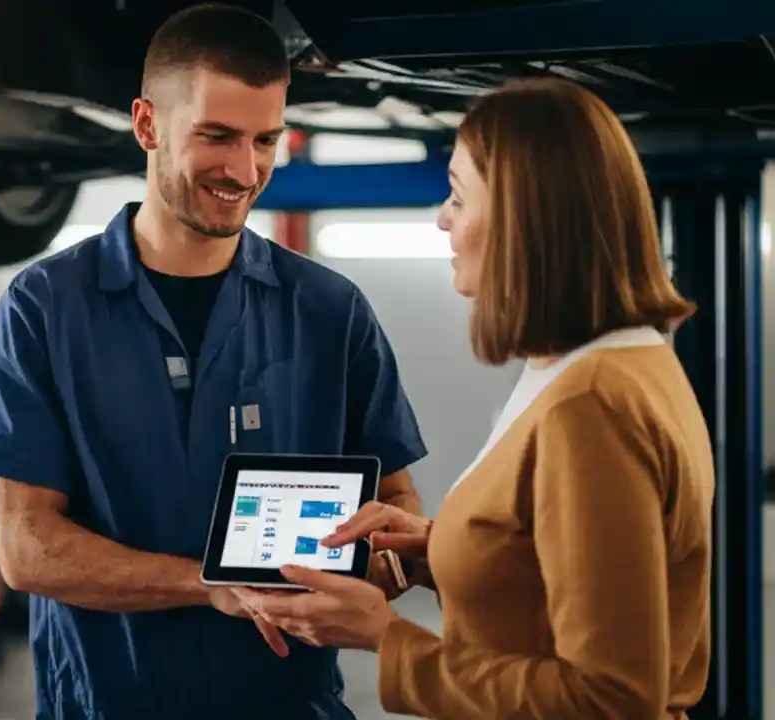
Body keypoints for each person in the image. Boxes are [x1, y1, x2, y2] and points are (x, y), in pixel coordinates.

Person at [0, 4, 428, 718]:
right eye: (217, 137)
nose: (245, 169)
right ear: (148, 125)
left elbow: (396, 510)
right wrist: (209, 583)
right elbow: (25, 547)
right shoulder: (46, 308)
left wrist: (374, 573)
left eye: (266, 139)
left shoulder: (330, 311)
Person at [237, 76, 715, 720]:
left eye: (459, 197)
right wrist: (442, 549)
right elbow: (553, 574)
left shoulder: (591, 406)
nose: (442, 217)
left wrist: (385, 637)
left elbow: (609, 701)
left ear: (524, 220)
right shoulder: (619, 361)